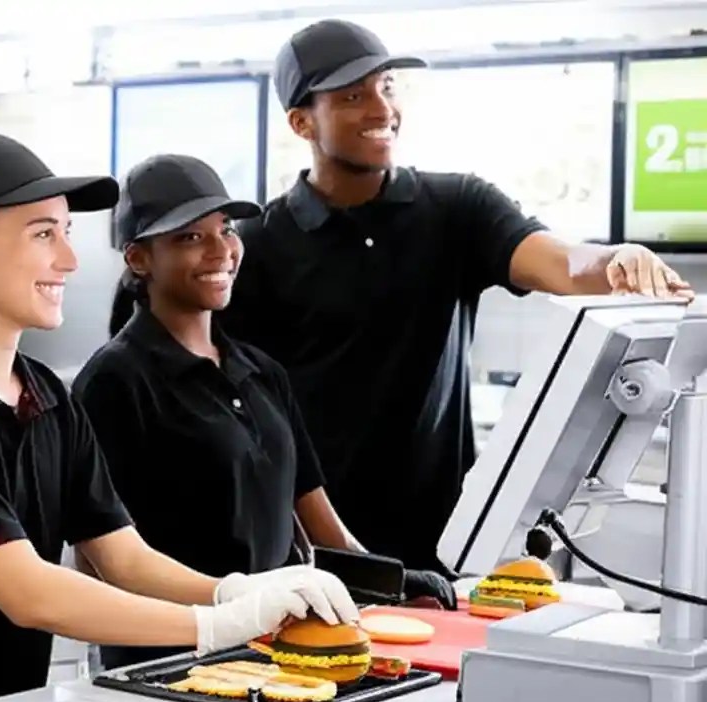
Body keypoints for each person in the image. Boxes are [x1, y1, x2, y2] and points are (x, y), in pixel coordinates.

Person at [0, 133, 359, 702]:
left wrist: (233, 589)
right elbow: (28, 592)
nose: (68, 260)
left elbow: (125, 558)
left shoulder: (45, 395)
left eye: (66, 233)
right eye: (43, 234)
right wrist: (217, 624)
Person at [204, 19, 695, 575]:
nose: (381, 109)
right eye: (351, 96)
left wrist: (612, 261)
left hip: (448, 543)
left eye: (387, 87)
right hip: (317, 553)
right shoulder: (260, 247)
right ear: (300, 122)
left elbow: (561, 263)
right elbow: (253, 423)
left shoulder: (457, 208)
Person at [80, 154, 454, 671]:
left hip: (282, 656)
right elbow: (104, 560)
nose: (221, 251)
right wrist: (233, 602)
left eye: (226, 230)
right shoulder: (114, 382)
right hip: (170, 662)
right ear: (139, 259)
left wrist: (393, 580)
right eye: (190, 237)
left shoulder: (262, 374)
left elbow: (321, 527)